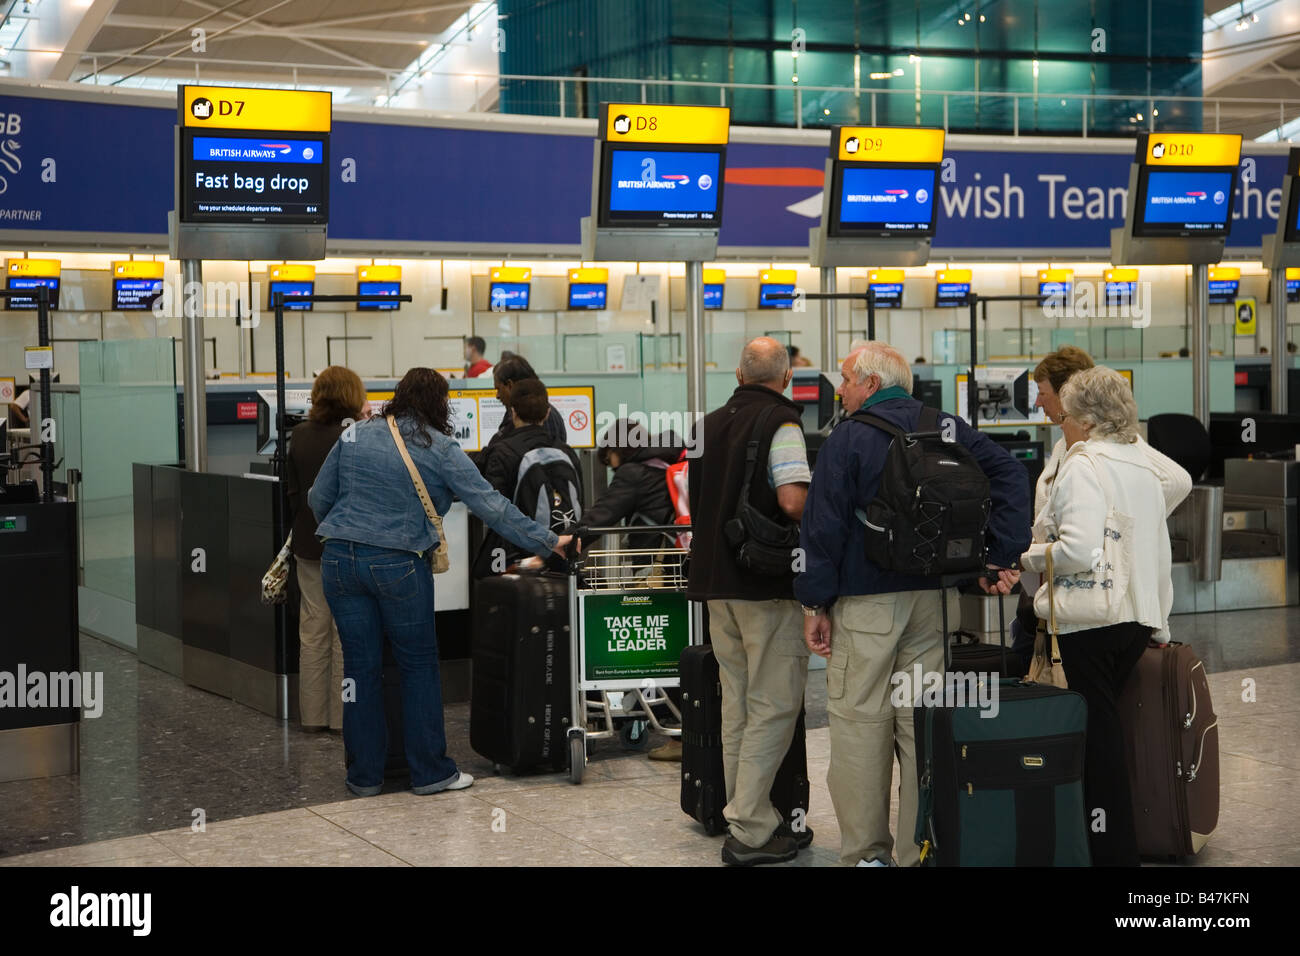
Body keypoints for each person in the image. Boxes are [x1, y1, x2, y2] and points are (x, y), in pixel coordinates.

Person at [797, 342, 1030, 867]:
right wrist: (998, 555)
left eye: (848, 379)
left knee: (860, 725)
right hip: (934, 602)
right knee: (919, 723)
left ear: (872, 384)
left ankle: (867, 855)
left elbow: (822, 526)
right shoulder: (945, 426)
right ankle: (917, 849)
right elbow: (1012, 475)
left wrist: (815, 602)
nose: (841, 388)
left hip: (867, 606)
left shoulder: (849, 437)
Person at [310, 367, 573, 797]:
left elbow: (318, 498)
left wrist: (350, 534)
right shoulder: (441, 446)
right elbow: (491, 506)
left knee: (359, 671)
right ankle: (431, 772)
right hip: (398, 564)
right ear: (439, 404)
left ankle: (364, 777)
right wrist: (547, 540)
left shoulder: (356, 434)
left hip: (339, 560)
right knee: (417, 667)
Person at [1015, 366, 1180, 867]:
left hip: (1087, 622)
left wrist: (1027, 556)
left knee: (1095, 742)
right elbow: (1156, 550)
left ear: (1085, 419)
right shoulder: (1141, 465)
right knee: (1106, 733)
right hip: (1133, 620)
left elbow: (1080, 550)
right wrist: (1161, 623)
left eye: (1064, 415)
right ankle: (1108, 845)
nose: (1061, 424)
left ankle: (1107, 851)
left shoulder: (1086, 464)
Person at [686, 336, 813, 866]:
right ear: (785, 379)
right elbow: (791, 499)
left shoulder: (705, 426)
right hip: (764, 585)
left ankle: (740, 811)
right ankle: (753, 825)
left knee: (736, 703)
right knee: (776, 701)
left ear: (738, 374)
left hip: (715, 585)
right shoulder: (782, 423)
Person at [1021, 347, 1190, 671]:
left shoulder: (1114, 448)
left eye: (1043, 393)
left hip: (1093, 597)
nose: (1039, 402)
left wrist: (1115, 527)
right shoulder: (1068, 445)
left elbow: (1176, 481)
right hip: (1060, 583)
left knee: (1092, 703)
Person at [287, 366, 366, 732]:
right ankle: (340, 718)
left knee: (313, 629)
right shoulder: (353, 437)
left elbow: (292, 493)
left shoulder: (299, 435)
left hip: (307, 543)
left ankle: (312, 717)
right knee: (342, 632)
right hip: (344, 545)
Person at [475, 377, 582, 576]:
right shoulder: (567, 452)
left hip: (515, 559)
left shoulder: (502, 452)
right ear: (548, 412)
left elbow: (494, 512)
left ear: (513, 412)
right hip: (561, 555)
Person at [477, 354, 567, 467]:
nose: (497, 396)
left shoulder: (527, 416)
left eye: (498, 389)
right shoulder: (548, 412)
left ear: (510, 385)